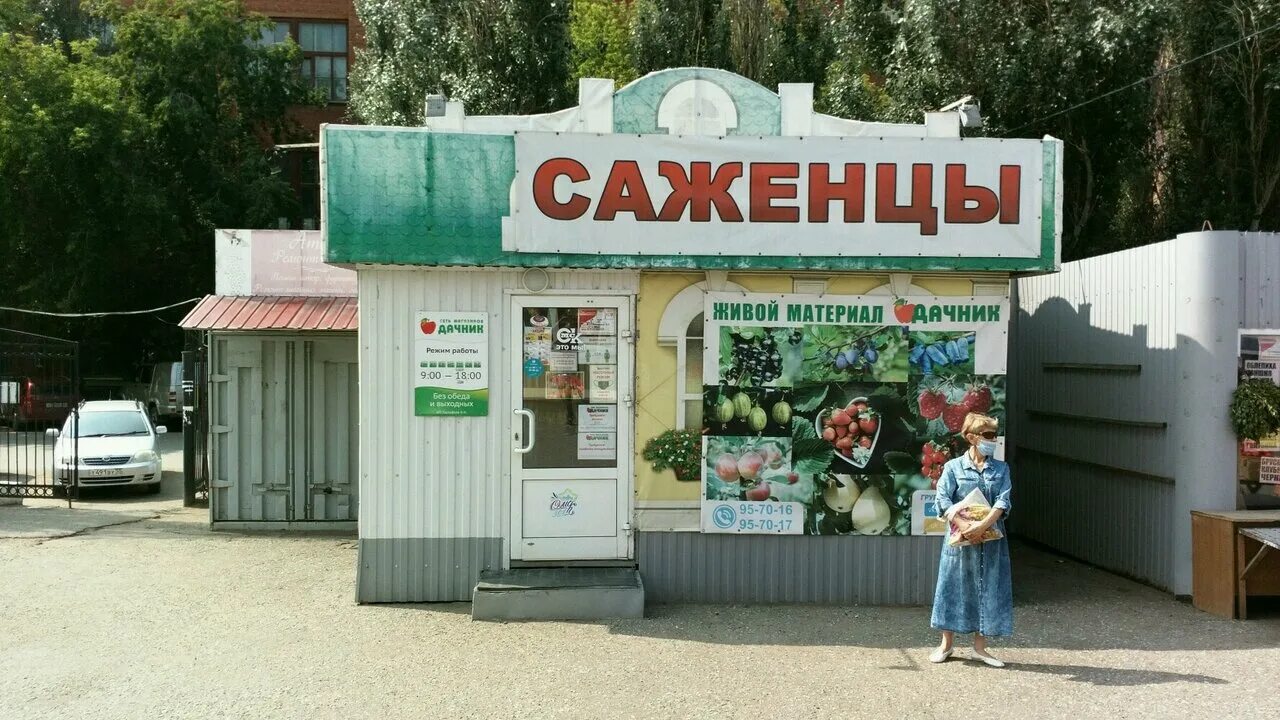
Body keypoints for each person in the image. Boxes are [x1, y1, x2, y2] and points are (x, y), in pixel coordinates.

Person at [928, 412, 1012, 668]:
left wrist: (983, 526)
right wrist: (965, 527)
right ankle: (946, 643)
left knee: (989, 588)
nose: (993, 440)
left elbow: (1003, 500)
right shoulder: (953, 467)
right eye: (988, 435)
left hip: (991, 540)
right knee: (952, 586)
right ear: (972, 437)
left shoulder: (1001, 468)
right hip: (959, 540)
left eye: (994, 435)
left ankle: (980, 647)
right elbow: (942, 500)